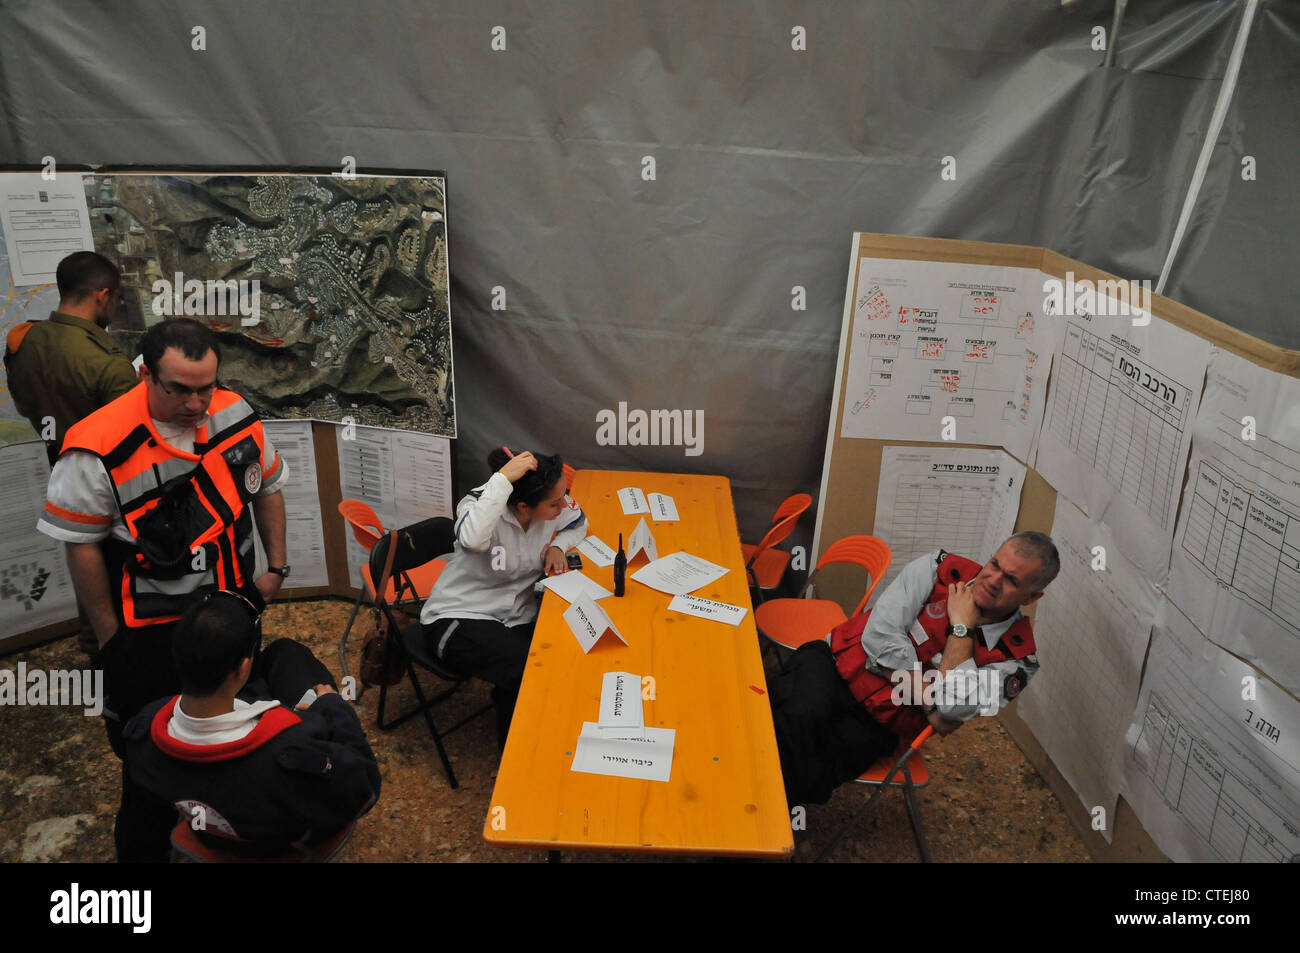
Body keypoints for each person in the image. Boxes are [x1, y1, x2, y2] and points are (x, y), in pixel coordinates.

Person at [36, 317, 290, 860]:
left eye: (206, 388)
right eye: (179, 390)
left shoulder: (235, 412)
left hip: (232, 611)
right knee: (149, 760)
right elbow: (81, 545)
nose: (197, 405)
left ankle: (226, 830)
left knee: (233, 726)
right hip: (151, 633)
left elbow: (266, 485)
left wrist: (277, 570)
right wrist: (110, 639)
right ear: (146, 375)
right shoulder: (94, 446)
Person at [769, 531, 1058, 806]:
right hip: (830, 665)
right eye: (994, 564)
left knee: (809, 770)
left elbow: (953, 708)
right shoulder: (938, 569)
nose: (992, 580)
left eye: (1011, 580)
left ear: (1031, 597)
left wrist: (961, 628)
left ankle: (754, 825)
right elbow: (879, 636)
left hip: (877, 723)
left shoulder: (1015, 659)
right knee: (793, 719)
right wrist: (931, 701)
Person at [123, 592, 380, 858]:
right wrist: (333, 707)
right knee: (290, 656)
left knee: (282, 655)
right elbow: (366, 789)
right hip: (279, 843)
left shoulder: (143, 731)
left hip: (210, 832)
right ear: (243, 667)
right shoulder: (292, 750)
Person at [418, 447, 587, 748]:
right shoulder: (479, 507)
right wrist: (501, 480)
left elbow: (578, 521)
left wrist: (559, 545)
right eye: (555, 503)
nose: (565, 505)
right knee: (528, 669)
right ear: (523, 505)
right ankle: (517, 754)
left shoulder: (550, 506)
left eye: (564, 497)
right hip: (459, 617)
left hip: (514, 614)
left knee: (560, 650)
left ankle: (517, 711)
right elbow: (472, 539)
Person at [4, 251, 138, 465]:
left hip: (56, 464)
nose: (116, 307)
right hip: (103, 474)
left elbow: (26, 404)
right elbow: (129, 438)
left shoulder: (24, 339)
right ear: (102, 296)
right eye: (117, 298)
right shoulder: (108, 362)